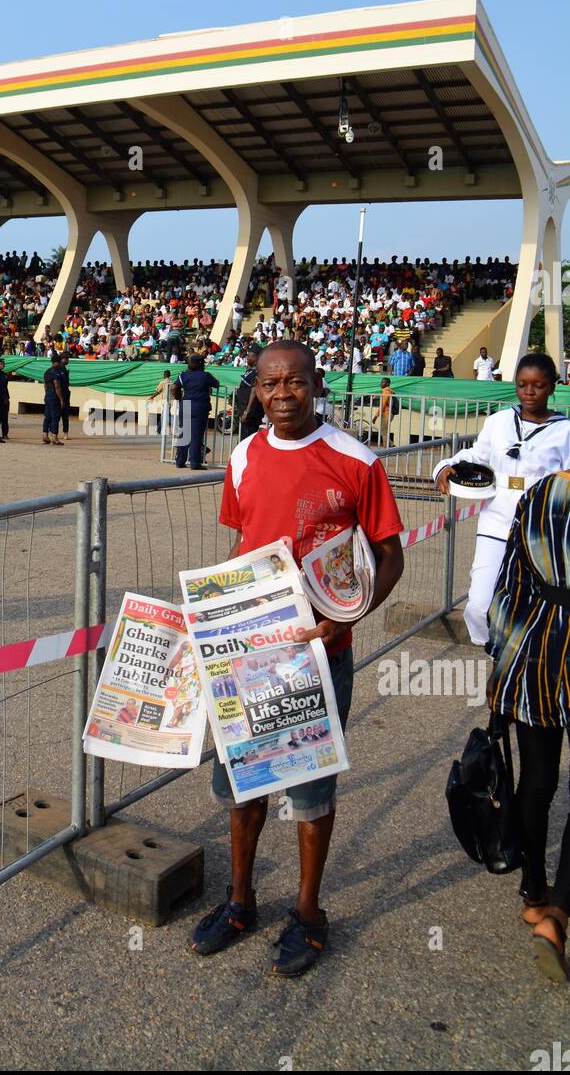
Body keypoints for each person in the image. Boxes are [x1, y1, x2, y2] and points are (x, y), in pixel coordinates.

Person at [189, 342, 404, 973]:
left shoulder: (355, 461)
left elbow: (390, 557)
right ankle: (239, 901)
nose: (283, 394)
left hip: (319, 658)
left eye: (296, 383)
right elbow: (241, 541)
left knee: (311, 792)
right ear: (255, 388)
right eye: (271, 384)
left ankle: (309, 914)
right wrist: (213, 614)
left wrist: (345, 615)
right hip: (248, 659)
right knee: (242, 787)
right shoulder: (243, 456)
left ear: (317, 385)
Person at [486, 471, 570, 981]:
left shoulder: (542, 493)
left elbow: (511, 578)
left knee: (538, 782)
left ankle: (535, 893)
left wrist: (500, 657)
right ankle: (558, 911)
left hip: (535, 649)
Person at [434, 353, 570, 645]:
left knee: (535, 605)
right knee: (479, 606)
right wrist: (445, 467)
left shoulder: (565, 431)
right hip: (496, 522)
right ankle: (496, 653)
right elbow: (476, 456)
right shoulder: (498, 422)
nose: (529, 392)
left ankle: (524, 664)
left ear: (552, 387)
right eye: (522, 385)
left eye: (538, 385)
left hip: (540, 531)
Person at [172, 353, 219, 470]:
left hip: (186, 404)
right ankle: (195, 463)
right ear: (200, 364)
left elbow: (173, 387)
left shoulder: (183, 375)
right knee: (196, 436)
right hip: (199, 406)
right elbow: (217, 384)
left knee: (184, 434)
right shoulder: (205, 375)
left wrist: (178, 397)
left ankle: (180, 461)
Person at [43, 353, 65, 445]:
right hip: (54, 395)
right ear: (59, 362)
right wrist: (61, 399)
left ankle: (45, 435)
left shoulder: (47, 371)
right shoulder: (57, 371)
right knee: (55, 416)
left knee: (47, 416)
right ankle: (54, 437)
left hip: (48, 394)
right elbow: (57, 386)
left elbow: (44, 385)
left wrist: (47, 394)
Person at [59, 352, 72, 440]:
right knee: (59, 414)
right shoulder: (60, 369)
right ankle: (63, 432)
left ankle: (65, 432)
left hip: (65, 393)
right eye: (67, 359)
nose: (68, 360)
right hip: (61, 394)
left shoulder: (64, 369)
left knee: (64, 415)